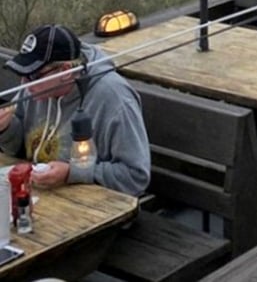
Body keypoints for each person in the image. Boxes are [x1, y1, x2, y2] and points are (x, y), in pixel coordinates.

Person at [0, 24, 150, 196]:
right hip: (40, 195)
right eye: (22, 75)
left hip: (94, 206)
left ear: (65, 71)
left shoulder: (115, 98)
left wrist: (72, 173)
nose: (24, 84)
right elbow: (19, 150)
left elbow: (136, 177)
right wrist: (5, 129)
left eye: (33, 75)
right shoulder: (33, 90)